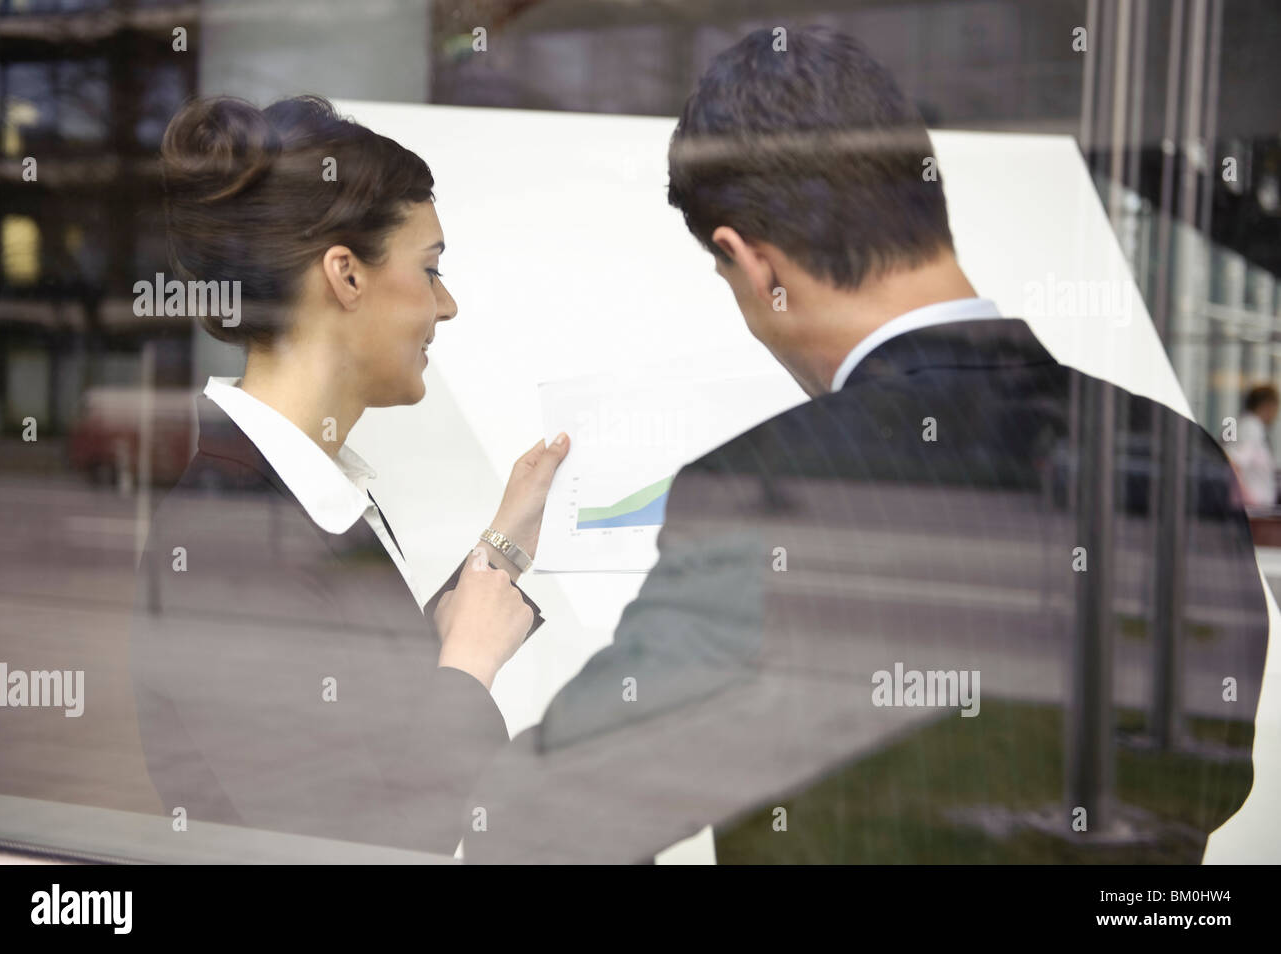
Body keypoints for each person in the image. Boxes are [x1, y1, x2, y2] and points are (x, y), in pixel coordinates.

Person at [461, 27, 1269, 863]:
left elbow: (547, 826)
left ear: (751, 261)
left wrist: (466, 661)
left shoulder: (764, 486)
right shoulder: (1180, 457)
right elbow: (1207, 779)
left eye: (727, 278)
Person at [130, 95, 567, 854]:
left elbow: (369, 703)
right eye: (430, 271)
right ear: (347, 277)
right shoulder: (228, 543)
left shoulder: (301, 494)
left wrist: (498, 554)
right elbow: (366, 841)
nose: (448, 305)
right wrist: (470, 664)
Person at [1227, 383, 1279, 507]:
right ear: (1267, 406)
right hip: (1252, 509)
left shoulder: (1252, 427)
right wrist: (1248, 499)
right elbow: (1233, 463)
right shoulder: (1251, 427)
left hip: (1254, 509)